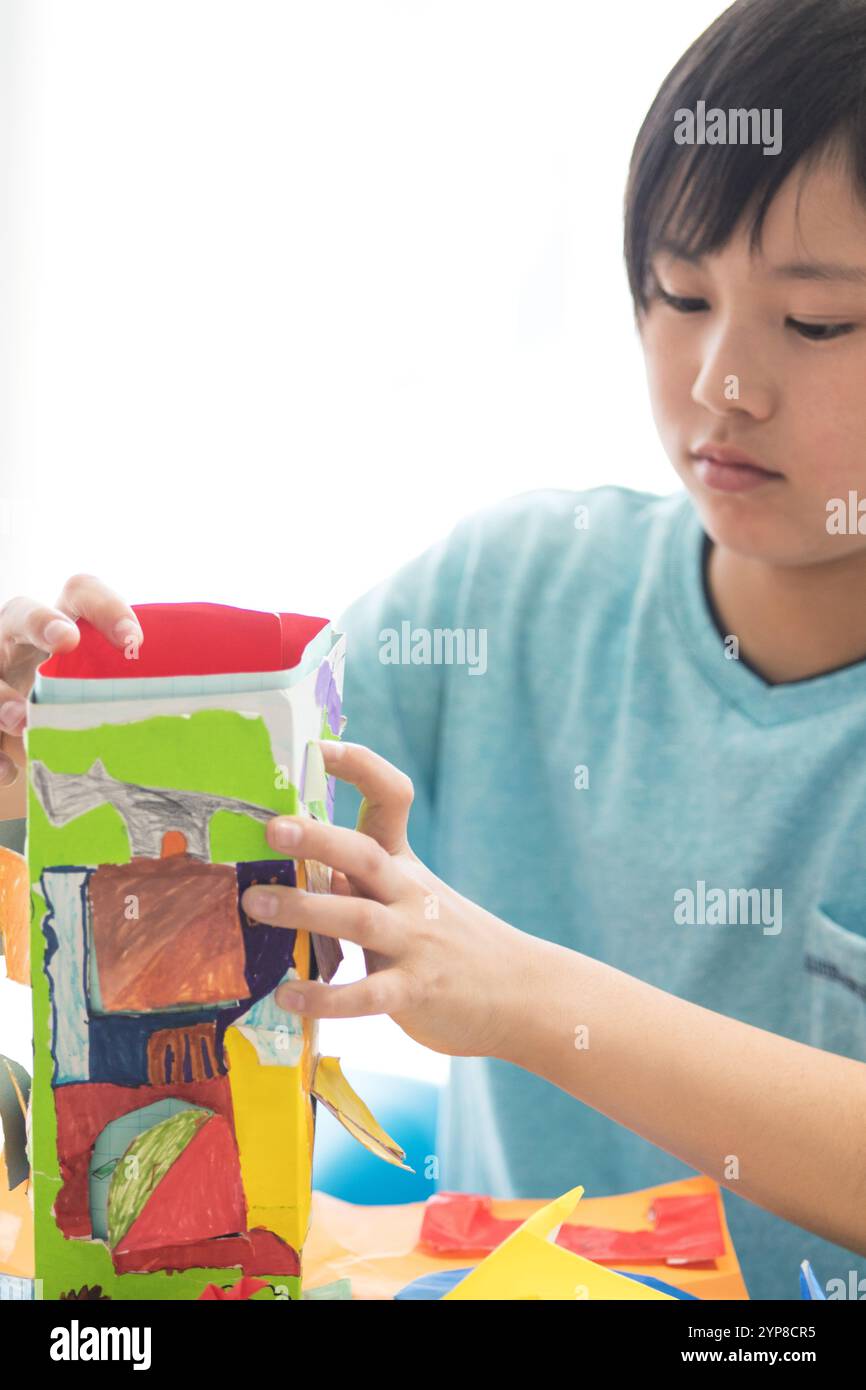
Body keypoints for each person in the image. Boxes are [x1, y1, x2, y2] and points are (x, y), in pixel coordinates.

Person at [3, 0, 866, 1300]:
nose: (717, 382)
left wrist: (517, 991)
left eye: (811, 324)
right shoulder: (511, 590)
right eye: (680, 294)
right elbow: (217, 850)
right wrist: (51, 759)